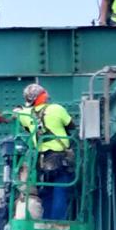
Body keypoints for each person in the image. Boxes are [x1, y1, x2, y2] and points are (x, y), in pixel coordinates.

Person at [16, 83, 75, 220]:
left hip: (41, 161)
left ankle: (45, 221)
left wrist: (20, 109)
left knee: (46, 192)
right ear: (43, 96)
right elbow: (71, 125)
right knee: (61, 190)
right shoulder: (56, 109)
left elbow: (17, 114)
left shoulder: (26, 115)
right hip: (60, 159)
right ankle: (57, 222)